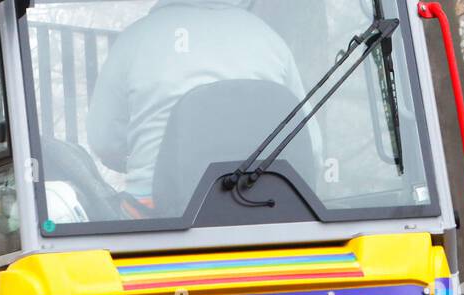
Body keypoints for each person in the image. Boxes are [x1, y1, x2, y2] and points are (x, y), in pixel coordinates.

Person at [86, 0, 315, 210]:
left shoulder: (135, 38)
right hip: (264, 205)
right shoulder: (269, 39)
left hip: (156, 211)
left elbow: (104, 141)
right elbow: (312, 145)